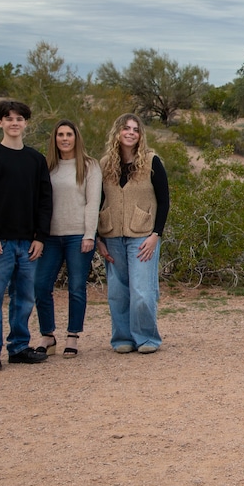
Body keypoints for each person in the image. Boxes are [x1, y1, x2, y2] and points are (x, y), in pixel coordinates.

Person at [0, 99, 53, 371]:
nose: (14, 123)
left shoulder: (35, 159)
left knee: (24, 299)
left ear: (26, 123)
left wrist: (40, 237)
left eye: (19, 118)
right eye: (8, 118)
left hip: (28, 243)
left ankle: (19, 347)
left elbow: (45, 201)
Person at [96, 113, 169, 355]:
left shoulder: (151, 161)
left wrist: (156, 234)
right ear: (117, 132)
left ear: (140, 135)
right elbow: (97, 201)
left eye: (135, 129)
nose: (130, 133)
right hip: (112, 235)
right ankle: (122, 338)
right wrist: (98, 239)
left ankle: (146, 337)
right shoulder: (105, 164)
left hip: (143, 236)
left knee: (142, 291)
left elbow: (164, 201)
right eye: (126, 128)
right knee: (118, 292)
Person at [33, 119, 102, 358]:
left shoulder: (89, 165)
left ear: (76, 137)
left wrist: (89, 235)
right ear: (54, 138)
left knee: (76, 287)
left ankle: (72, 336)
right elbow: (39, 201)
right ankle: (48, 335)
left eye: (69, 134)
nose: (64, 138)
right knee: (40, 285)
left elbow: (93, 202)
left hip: (78, 236)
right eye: (60, 134)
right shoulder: (46, 166)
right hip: (50, 236)